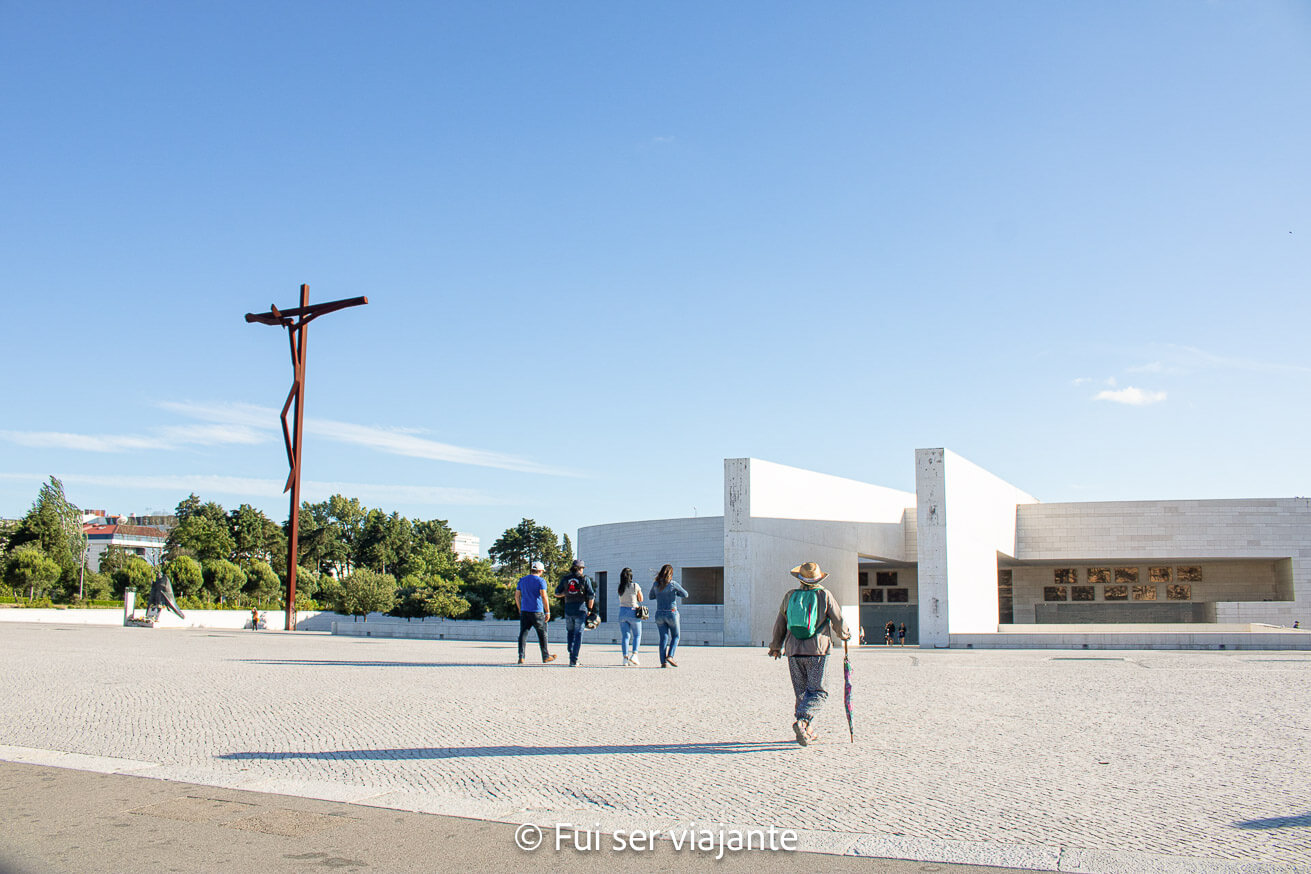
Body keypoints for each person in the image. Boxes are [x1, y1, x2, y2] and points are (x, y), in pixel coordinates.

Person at [769, 561, 850, 746]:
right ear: (818, 578)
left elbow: (780, 623)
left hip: (793, 650)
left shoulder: (790, 596)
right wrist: (845, 635)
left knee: (802, 693)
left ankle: (807, 731)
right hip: (817, 651)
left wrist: (775, 646)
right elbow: (838, 620)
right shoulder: (824, 595)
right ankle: (803, 721)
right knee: (819, 692)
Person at [515, 560, 557, 665]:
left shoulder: (522, 580)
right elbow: (543, 595)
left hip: (525, 610)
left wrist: (520, 608)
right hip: (537, 611)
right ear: (540, 571)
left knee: (523, 634)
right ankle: (545, 656)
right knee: (542, 634)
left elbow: (517, 596)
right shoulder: (541, 581)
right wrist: (548, 611)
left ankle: (521, 656)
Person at [555, 559, 595, 667]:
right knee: (578, 634)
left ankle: (571, 651)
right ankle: (574, 659)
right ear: (580, 569)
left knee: (570, 632)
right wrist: (590, 609)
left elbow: (556, 593)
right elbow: (591, 595)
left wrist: (566, 594)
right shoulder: (584, 579)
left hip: (568, 609)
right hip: (580, 609)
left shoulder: (565, 579)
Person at [648, 564, 689, 667]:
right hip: (671, 612)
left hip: (659, 613)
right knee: (676, 636)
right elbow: (685, 594)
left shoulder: (656, 584)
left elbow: (651, 596)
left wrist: (659, 595)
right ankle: (670, 656)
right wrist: (675, 594)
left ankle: (663, 662)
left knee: (663, 638)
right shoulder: (673, 584)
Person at [617, 567, 644, 665]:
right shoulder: (635, 586)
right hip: (633, 612)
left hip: (622, 612)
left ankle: (625, 658)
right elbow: (641, 599)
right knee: (637, 634)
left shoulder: (620, 588)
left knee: (625, 636)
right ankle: (635, 654)